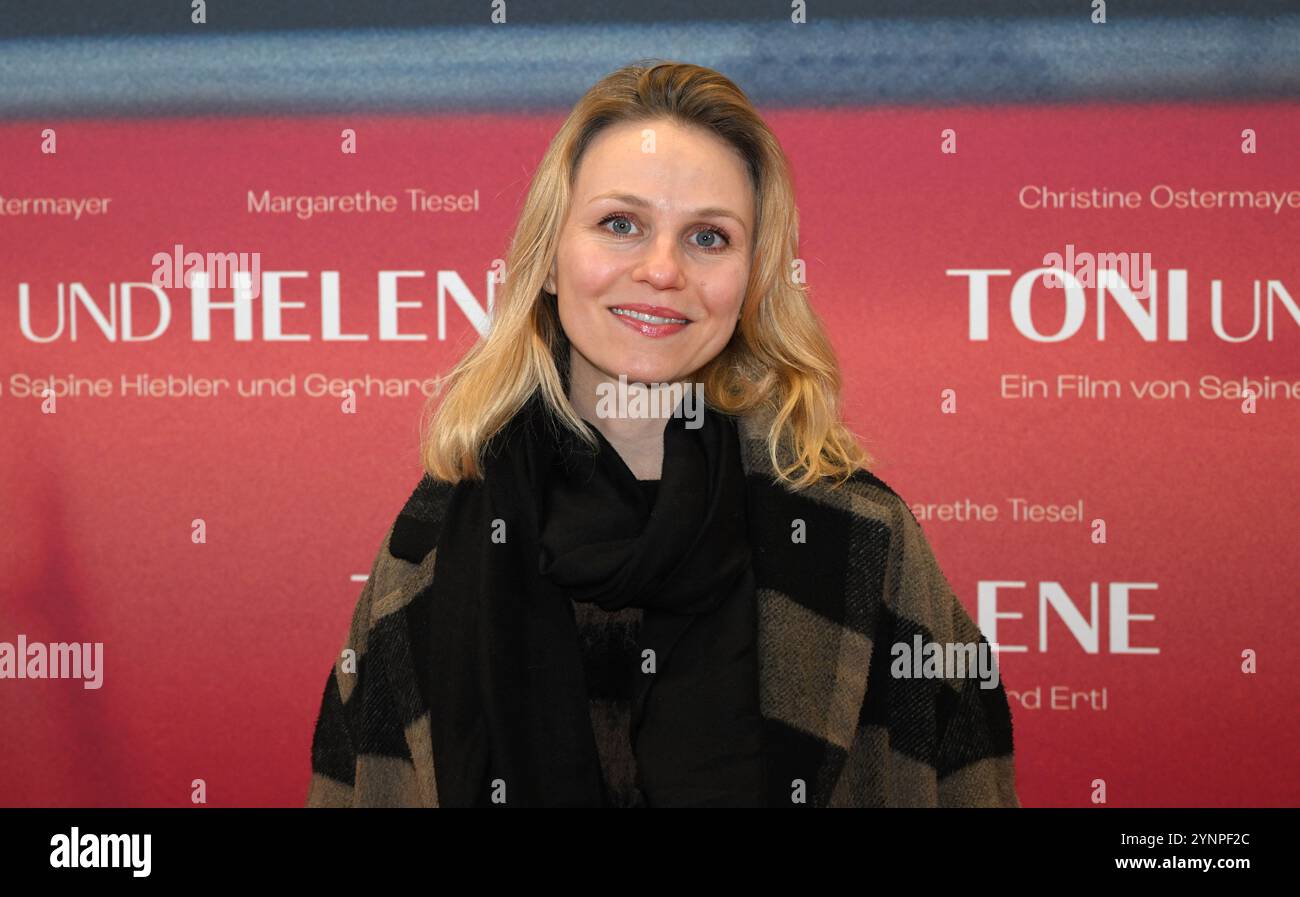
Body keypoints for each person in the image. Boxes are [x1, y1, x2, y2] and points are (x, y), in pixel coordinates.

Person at [306, 59, 1020, 808]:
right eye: (621, 224)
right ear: (549, 258)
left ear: (750, 281)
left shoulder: (863, 540)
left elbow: (971, 783)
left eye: (708, 238)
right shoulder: (428, 544)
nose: (661, 269)